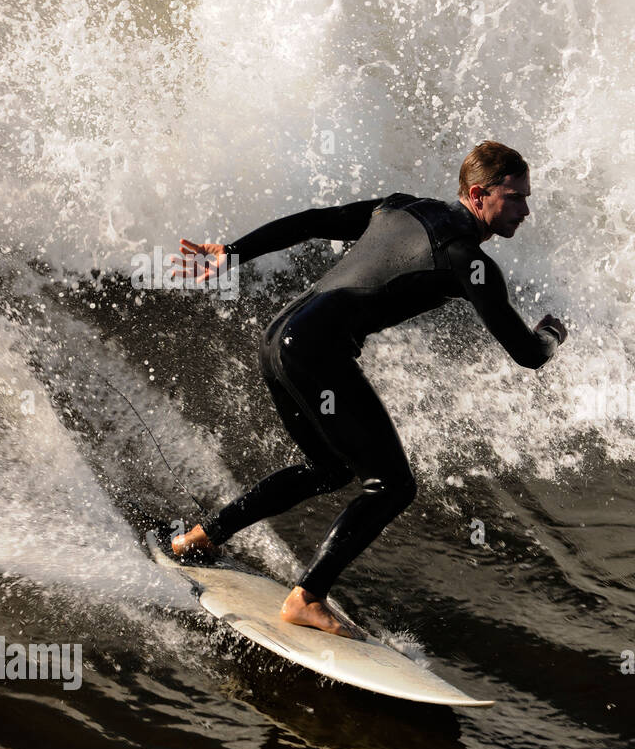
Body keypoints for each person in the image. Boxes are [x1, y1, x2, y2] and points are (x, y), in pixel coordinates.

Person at [168, 141, 567, 638]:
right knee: (393, 485)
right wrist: (552, 334)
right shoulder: (468, 260)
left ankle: (201, 538)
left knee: (330, 468)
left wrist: (231, 252)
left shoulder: (401, 206)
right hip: (314, 351)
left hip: (277, 339)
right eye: (516, 198)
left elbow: (312, 221)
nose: (526, 210)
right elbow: (528, 354)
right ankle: (306, 598)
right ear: (480, 194)